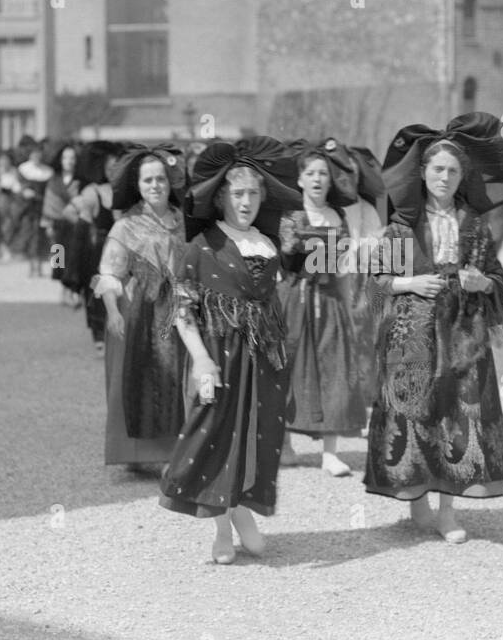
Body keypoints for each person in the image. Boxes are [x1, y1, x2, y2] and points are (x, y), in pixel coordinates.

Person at [363, 113, 503, 544]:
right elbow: (375, 284)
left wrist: (483, 282)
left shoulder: (474, 223)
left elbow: (498, 278)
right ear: (423, 173)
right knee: (414, 411)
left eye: (453, 171)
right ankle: (416, 499)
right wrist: (410, 282)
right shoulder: (403, 225)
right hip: (412, 332)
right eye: (437, 169)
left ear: (463, 177)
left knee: (460, 413)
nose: (444, 177)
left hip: (463, 333)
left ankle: (447, 510)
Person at [159, 137, 301, 564]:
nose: (246, 202)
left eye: (254, 194)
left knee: (259, 434)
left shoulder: (268, 245)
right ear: (221, 198)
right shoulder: (201, 246)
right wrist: (201, 359)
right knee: (216, 434)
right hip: (218, 355)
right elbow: (183, 310)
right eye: (238, 194)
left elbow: (272, 305)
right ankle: (221, 525)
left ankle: (241, 508)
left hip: (262, 357)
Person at [92, 145, 188, 472]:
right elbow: (109, 273)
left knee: (178, 380)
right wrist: (114, 313)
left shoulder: (183, 222)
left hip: (179, 309)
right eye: (148, 180)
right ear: (139, 185)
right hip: (141, 313)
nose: (155, 186)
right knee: (148, 381)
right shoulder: (126, 226)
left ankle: (177, 450)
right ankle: (144, 454)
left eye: (160, 179)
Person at [277, 141, 369, 476]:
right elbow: (285, 262)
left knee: (334, 370)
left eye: (323, 174)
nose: (317, 179)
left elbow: (344, 265)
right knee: (289, 369)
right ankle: (284, 442)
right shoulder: (289, 215)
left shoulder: (337, 216)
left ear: (331, 181)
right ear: (299, 179)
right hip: (294, 299)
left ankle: (330, 452)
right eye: (310, 173)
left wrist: (348, 303)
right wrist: (291, 249)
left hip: (329, 301)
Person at [63, 142, 125, 354]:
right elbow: (68, 213)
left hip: (123, 250)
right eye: (109, 167)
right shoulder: (92, 192)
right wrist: (86, 227)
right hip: (98, 249)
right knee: (97, 294)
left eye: (117, 167)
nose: (112, 171)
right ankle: (99, 334)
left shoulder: (127, 190)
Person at [44, 144, 80, 304]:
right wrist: (47, 224)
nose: (69, 161)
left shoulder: (80, 181)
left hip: (76, 225)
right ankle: (63, 290)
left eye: (72, 158)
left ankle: (74, 290)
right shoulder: (54, 180)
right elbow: (49, 203)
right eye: (66, 157)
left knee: (75, 258)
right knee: (59, 258)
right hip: (58, 225)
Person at [16, 143, 54, 276]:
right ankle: (32, 266)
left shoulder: (48, 171)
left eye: (39, 153)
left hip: (45, 208)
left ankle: (52, 266)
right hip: (28, 209)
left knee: (45, 237)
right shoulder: (23, 169)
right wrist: (24, 192)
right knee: (31, 235)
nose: (36, 156)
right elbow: (18, 188)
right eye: (34, 153)